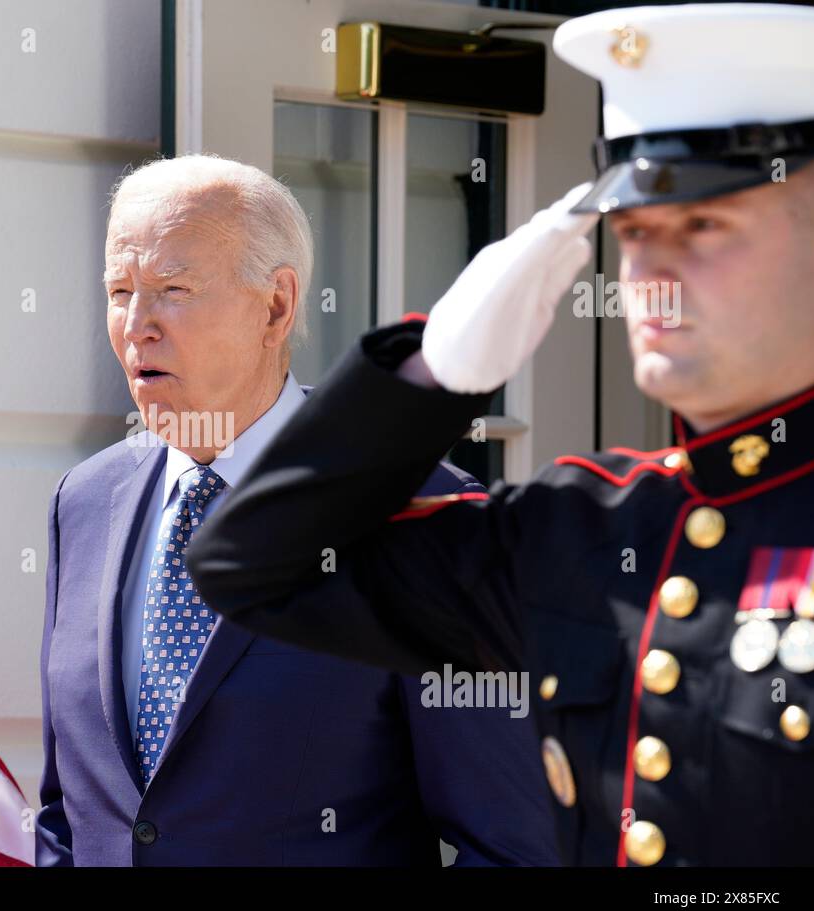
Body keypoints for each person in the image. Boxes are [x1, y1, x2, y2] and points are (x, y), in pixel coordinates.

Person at [189, 2, 814, 867]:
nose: (650, 274)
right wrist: (434, 368)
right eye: (632, 232)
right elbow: (252, 567)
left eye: (704, 226)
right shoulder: (593, 525)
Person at [35, 154, 560, 866]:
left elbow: (514, 846)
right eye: (119, 290)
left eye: (172, 289)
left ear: (277, 306)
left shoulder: (425, 514)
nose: (136, 325)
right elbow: (70, 814)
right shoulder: (85, 502)